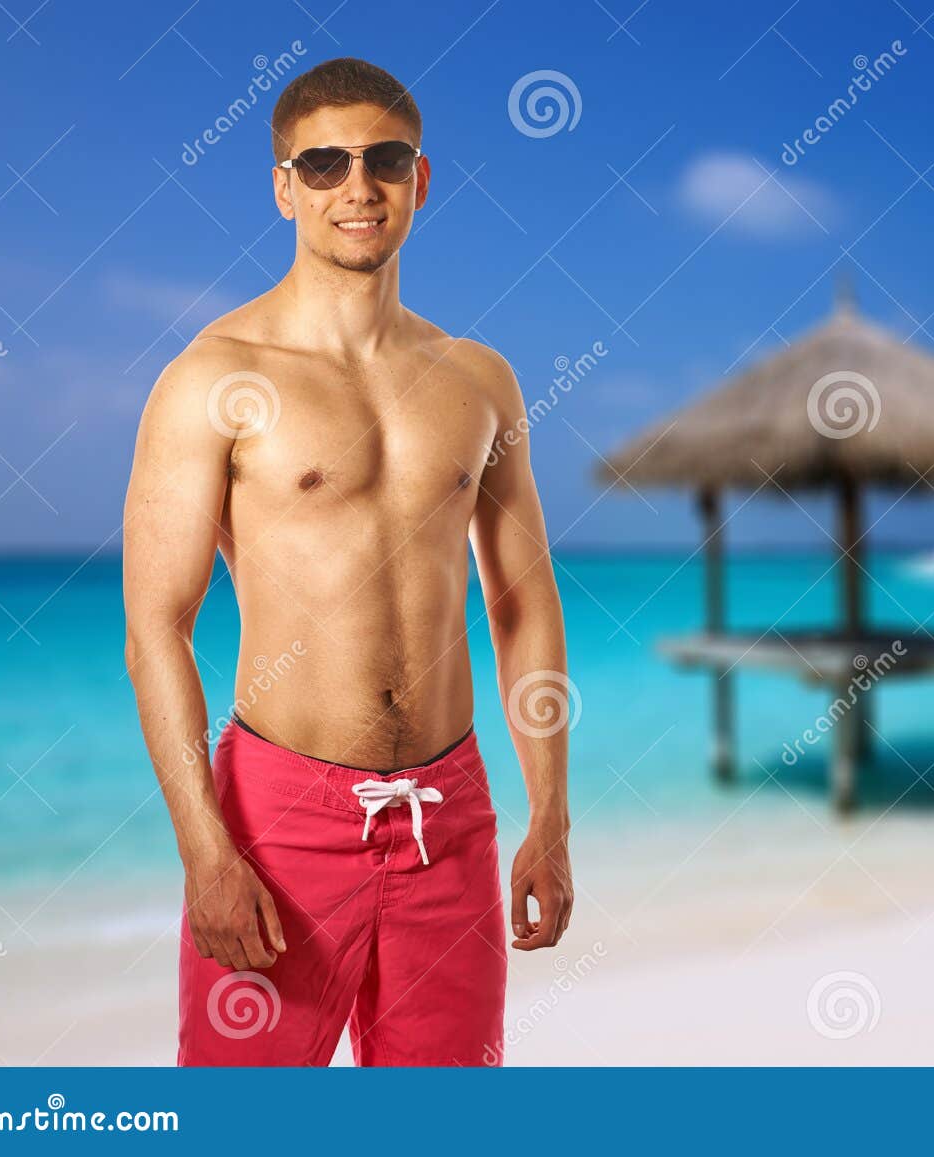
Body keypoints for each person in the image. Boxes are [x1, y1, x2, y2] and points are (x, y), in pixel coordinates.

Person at [121, 57, 572, 1066]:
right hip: (279, 820)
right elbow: (158, 625)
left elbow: (522, 601)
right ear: (283, 186)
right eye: (322, 164)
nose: (356, 188)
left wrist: (550, 812)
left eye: (384, 159)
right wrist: (205, 846)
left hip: (450, 818)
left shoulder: (477, 378)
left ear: (421, 178)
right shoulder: (213, 378)